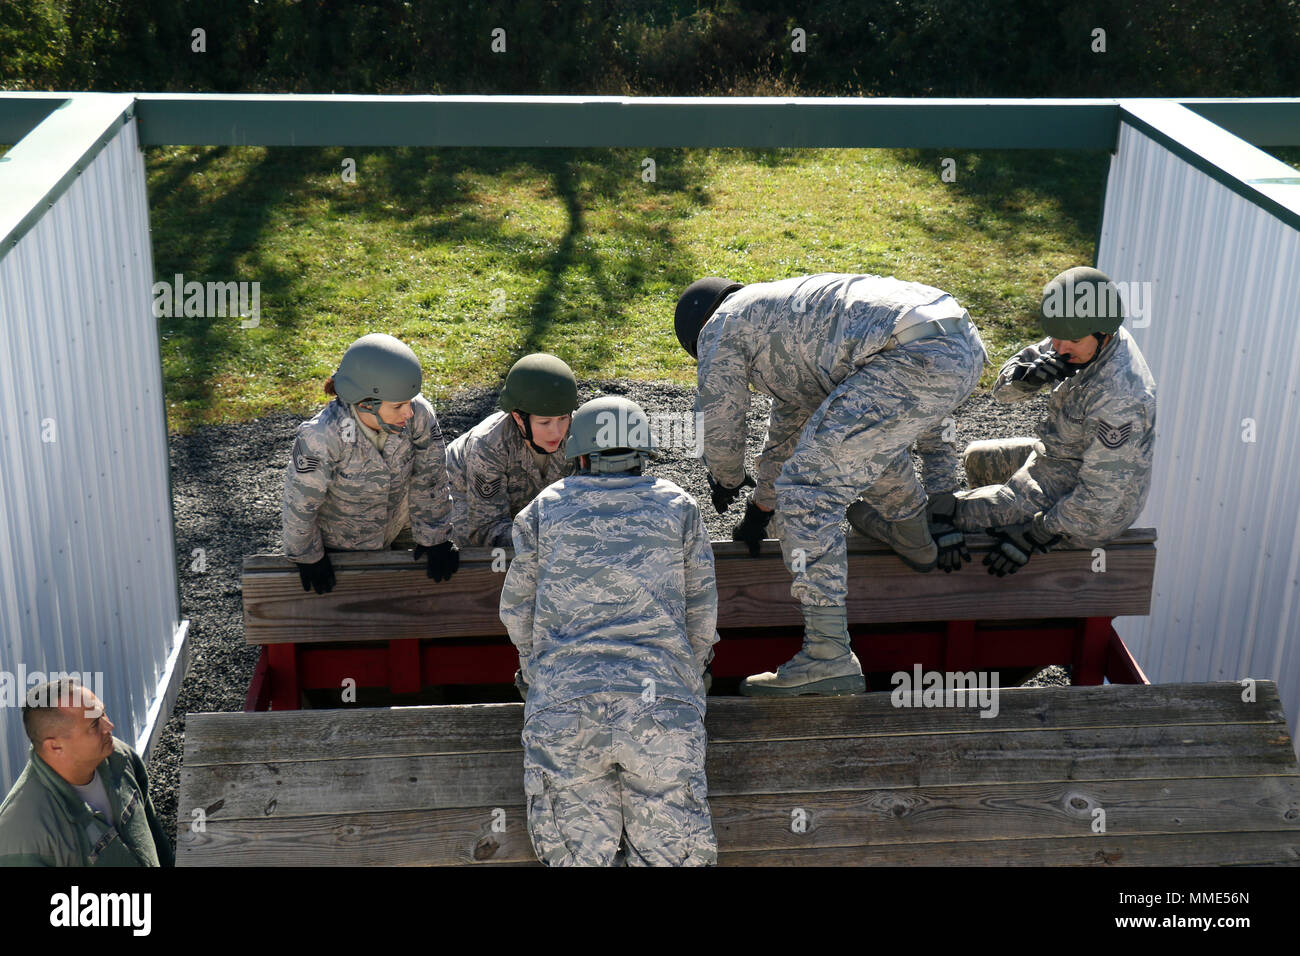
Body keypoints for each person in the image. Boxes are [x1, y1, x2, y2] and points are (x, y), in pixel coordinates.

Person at [676, 273, 987, 696]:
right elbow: (792, 432)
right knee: (857, 442)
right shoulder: (782, 323)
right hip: (958, 342)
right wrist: (760, 508)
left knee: (806, 492)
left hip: (911, 354)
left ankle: (828, 655)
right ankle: (914, 537)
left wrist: (725, 475)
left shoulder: (720, 325)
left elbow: (718, 416)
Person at [499, 395, 719, 866]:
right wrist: (689, 680)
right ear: (643, 452)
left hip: (565, 711)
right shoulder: (679, 507)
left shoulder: (543, 511)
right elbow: (701, 613)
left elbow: (518, 611)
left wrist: (538, 679)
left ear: (579, 454)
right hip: (660, 708)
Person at [945, 266, 1157, 575]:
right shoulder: (1082, 336)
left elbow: (1100, 499)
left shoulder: (1120, 397)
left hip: (1086, 512)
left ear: (1104, 334)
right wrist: (1025, 379)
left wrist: (1036, 533)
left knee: (945, 516)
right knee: (978, 459)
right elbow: (1002, 395)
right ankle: (996, 529)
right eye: (1055, 337)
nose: (1058, 347)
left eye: (1069, 341)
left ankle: (991, 560)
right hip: (1061, 460)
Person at [282, 333, 458, 594]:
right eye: (398, 406)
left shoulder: (418, 415)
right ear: (366, 404)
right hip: (339, 549)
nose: (408, 412)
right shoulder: (322, 436)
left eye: (409, 402)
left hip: (399, 531)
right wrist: (309, 556)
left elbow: (430, 477)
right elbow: (301, 504)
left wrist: (435, 538)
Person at [0, 678, 173, 866]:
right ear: (55, 746)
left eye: (104, 714)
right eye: (94, 724)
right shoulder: (22, 834)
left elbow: (156, 838)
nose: (109, 726)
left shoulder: (119, 758)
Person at [446, 353, 578, 549]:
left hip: (525, 509)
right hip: (461, 496)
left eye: (563, 419)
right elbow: (485, 528)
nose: (557, 431)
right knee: (468, 549)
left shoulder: (578, 432)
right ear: (518, 418)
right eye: (544, 422)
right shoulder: (488, 445)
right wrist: (543, 539)